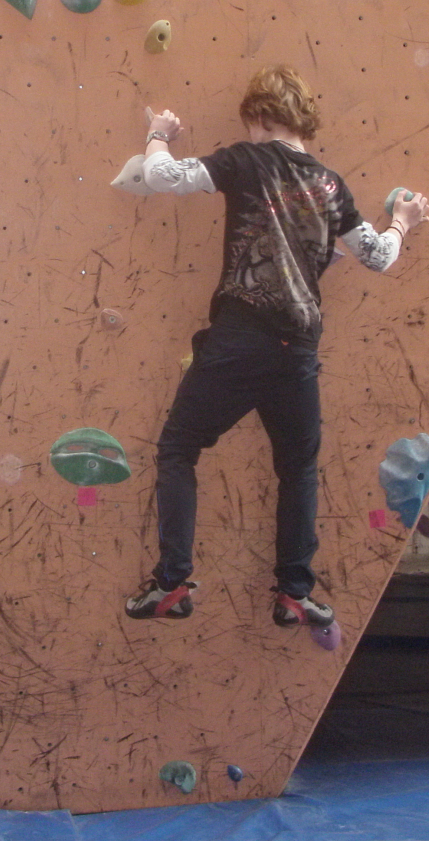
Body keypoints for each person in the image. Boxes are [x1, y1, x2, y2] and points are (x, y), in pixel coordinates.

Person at [124, 65, 428, 627]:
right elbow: (379, 257)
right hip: (296, 350)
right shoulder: (332, 185)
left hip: (240, 338)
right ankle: (294, 592)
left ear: (258, 117)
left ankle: (172, 583)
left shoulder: (245, 159)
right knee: (298, 470)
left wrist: (160, 134)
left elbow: (163, 177)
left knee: (179, 448)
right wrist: (404, 222)